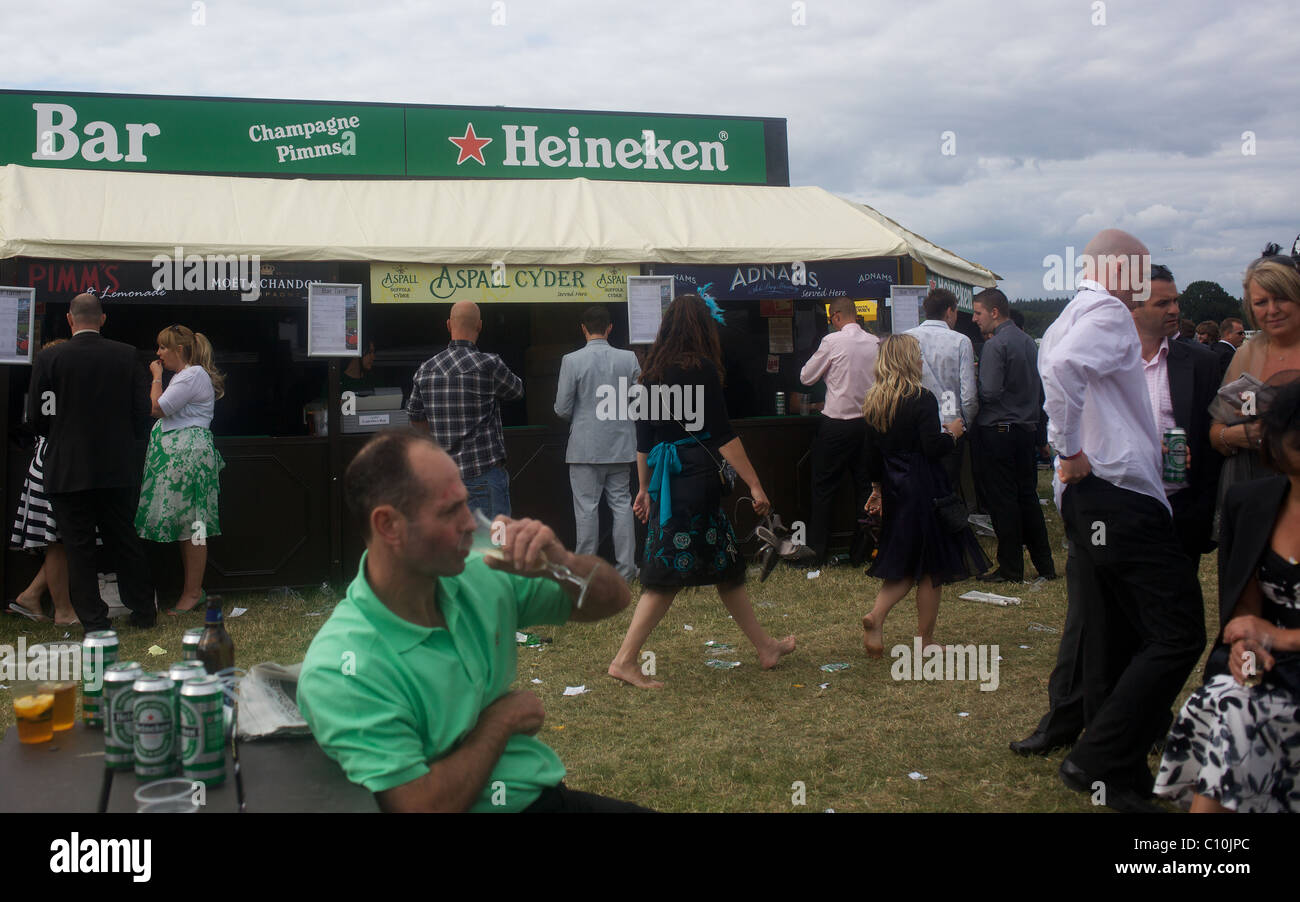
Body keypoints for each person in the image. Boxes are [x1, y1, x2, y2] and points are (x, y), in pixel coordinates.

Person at [297, 429, 647, 812]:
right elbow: (418, 806)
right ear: (388, 526)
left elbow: (615, 599)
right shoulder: (343, 666)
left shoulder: (474, 570)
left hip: (541, 797)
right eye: (449, 511)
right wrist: (499, 723)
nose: (470, 523)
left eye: (466, 503)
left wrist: (561, 564)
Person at [1012, 264, 1221, 757]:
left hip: (1172, 506)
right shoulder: (1103, 345)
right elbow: (1063, 402)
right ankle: (1068, 719)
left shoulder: (1199, 360)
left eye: (1176, 303)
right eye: (1161, 302)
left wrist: (1201, 448)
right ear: (1132, 305)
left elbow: (1215, 429)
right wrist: (1067, 454)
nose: (1173, 311)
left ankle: (1142, 727)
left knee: (1157, 627)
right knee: (1089, 620)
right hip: (1108, 504)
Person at [1037, 228, 1205, 813]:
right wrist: (1067, 448)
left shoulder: (1072, 312)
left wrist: (1069, 459)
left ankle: (1120, 773)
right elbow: (1061, 371)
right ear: (1125, 270)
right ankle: (1100, 759)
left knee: (1116, 634)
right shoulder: (1107, 311)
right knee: (1178, 631)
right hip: (1120, 492)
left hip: (1095, 495)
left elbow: (1060, 369)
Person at [607, 295, 795, 688]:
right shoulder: (702, 370)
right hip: (694, 477)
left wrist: (643, 488)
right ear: (702, 328)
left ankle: (765, 647)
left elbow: (642, 441)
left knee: (726, 567)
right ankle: (624, 660)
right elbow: (724, 435)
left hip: (664, 478)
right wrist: (755, 483)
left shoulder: (649, 374)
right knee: (667, 574)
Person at [1154, 378, 1300, 812]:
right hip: (1278, 664)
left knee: (1241, 711)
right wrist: (1248, 647)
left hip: (1289, 652)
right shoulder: (1252, 503)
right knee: (1229, 697)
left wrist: (1275, 637)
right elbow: (1247, 605)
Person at [27, 292, 156, 633]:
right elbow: (143, 415)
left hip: (68, 466)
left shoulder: (50, 358)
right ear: (102, 319)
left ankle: (95, 622)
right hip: (117, 465)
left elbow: (37, 416)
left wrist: (58, 433)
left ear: (70, 320)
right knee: (124, 540)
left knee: (78, 547)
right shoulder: (127, 356)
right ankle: (144, 611)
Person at [860, 334, 989, 655]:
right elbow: (933, 448)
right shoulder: (921, 398)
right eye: (916, 355)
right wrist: (954, 434)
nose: (920, 360)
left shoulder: (875, 400)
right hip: (924, 487)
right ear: (905, 360)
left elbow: (871, 456)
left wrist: (877, 490)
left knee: (904, 562)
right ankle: (925, 640)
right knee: (932, 567)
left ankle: (876, 618)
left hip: (894, 487)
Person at [134, 324, 226, 615]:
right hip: (179, 457)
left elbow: (157, 408)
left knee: (195, 525)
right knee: (187, 525)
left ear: (179, 350)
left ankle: (193, 592)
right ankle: (191, 591)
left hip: (189, 457)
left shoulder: (191, 375)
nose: (158, 352)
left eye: (163, 347)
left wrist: (157, 378)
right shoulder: (185, 376)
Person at [1210, 249, 1300, 539]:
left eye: (1281, 298)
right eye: (1261, 302)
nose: (1271, 310)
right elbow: (1216, 432)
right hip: (1251, 488)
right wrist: (1234, 436)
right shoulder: (1247, 354)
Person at [408, 301, 523, 521]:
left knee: (453, 548)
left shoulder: (426, 369)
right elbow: (517, 391)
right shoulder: (489, 365)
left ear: (449, 325)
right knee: (495, 548)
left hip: (445, 480)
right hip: (486, 477)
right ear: (480, 326)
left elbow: (415, 418)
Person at [971, 289, 1055, 583]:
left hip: (999, 429)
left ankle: (1010, 566)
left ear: (994, 312)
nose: (974, 319)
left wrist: (976, 386)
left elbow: (990, 392)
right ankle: (1045, 563)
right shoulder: (1027, 341)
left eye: (978, 313)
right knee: (1027, 497)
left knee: (1003, 501)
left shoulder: (996, 346)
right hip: (1024, 430)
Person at [553, 306, 640, 583]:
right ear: (610, 327)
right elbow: (640, 401)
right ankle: (627, 569)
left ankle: (585, 572)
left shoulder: (572, 361)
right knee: (622, 506)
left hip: (585, 448)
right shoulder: (629, 358)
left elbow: (562, 409)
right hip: (621, 445)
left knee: (587, 511)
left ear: (583, 328)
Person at [799, 297, 880, 565]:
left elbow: (806, 377)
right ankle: (862, 552)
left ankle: (817, 553)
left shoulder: (832, 341)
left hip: (835, 424)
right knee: (864, 489)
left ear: (835, 317)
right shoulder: (874, 342)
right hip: (867, 424)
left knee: (823, 489)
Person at [8, 339, 78, 626]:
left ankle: (30, 596)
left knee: (62, 540)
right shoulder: (61, 389)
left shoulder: (43, 388)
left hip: (46, 461)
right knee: (60, 540)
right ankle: (62, 610)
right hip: (57, 464)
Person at [904, 288, 978, 502]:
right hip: (950, 425)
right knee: (947, 490)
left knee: (918, 488)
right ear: (949, 311)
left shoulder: (907, 338)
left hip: (914, 424)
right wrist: (966, 425)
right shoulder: (961, 341)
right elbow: (969, 396)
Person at [1215, 316, 1245, 381]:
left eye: (1244, 333)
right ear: (1228, 334)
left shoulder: (1213, 348)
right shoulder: (1228, 355)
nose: (1244, 336)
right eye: (1240, 333)